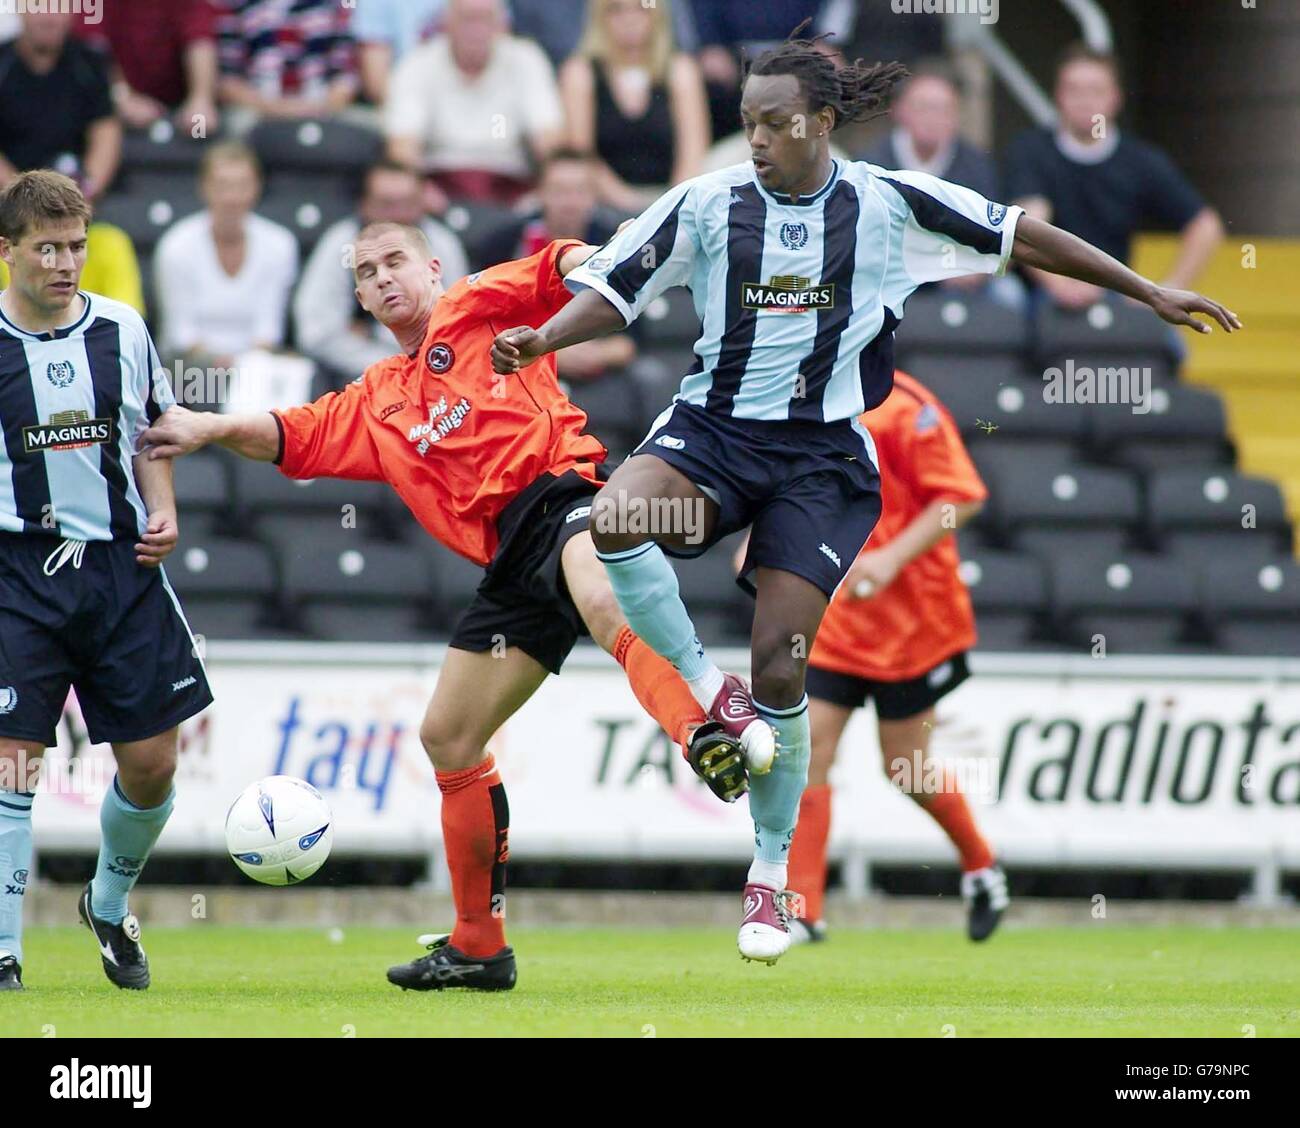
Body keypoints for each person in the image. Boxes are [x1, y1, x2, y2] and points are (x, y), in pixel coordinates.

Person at [491, 26, 1240, 965]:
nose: (756, 139)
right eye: (746, 122)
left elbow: (1019, 233)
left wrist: (1147, 292)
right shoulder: (707, 204)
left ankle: (771, 879)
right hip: (714, 436)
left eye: (773, 123)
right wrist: (545, 338)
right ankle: (699, 689)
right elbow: (616, 286)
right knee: (617, 517)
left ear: (822, 120)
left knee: (783, 666)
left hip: (822, 463)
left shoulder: (891, 205)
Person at [140, 224, 746, 993]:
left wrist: (599, 256)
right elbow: (287, 436)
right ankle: (479, 947)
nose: (384, 278)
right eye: (366, 272)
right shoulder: (377, 401)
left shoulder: (474, 306)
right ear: (358, 298)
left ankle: (702, 729)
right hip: (509, 566)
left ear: (430, 268)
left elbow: (555, 268)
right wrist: (208, 426)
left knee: (603, 595)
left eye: (395, 262)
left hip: (563, 497)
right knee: (449, 738)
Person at [0, 171, 211, 992]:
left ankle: (106, 899)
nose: (64, 263)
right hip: (19, 572)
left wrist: (163, 510)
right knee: (14, 762)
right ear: (8, 251)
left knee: (153, 763)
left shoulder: (122, 328)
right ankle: (7, 948)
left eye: (76, 247)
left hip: (123, 571)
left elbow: (151, 436)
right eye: (46, 248)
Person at [771, 371, 1006, 945]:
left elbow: (961, 500)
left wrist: (890, 559)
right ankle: (803, 909)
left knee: (905, 768)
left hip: (915, 623)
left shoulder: (908, 407)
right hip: (840, 618)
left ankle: (982, 868)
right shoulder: (795, 394)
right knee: (809, 752)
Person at [1004, 43, 1225, 311]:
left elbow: (1205, 226)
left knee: (1169, 342)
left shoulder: (1140, 161)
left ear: (1115, 97)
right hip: (1040, 298)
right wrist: (1062, 287)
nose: (1084, 101)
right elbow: (1027, 228)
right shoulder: (1030, 152)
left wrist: (1168, 289)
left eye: (1095, 91)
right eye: (1074, 90)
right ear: (1058, 95)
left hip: (1115, 294)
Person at [294, 160, 468, 380]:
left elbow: (459, 322)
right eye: (387, 204)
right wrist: (393, 369)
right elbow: (316, 333)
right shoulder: (342, 245)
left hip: (435, 367)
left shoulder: (443, 243)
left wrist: (370, 333)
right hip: (359, 376)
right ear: (364, 204)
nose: (397, 214)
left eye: (407, 204)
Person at [384, 0, 564, 208]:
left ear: (502, 25)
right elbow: (402, 146)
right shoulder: (417, 64)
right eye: (467, 19)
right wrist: (420, 191)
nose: (476, 29)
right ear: (446, 23)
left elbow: (549, 141)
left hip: (512, 190)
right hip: (438, 190)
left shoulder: (526, 59)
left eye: (485, 19)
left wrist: (550, 187)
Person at [475, 150, 633, 384]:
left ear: (594, 196)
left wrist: (597, 353)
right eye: (559, 191)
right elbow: (482, 322)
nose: (570, 202)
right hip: (517, 369)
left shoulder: (614, 244)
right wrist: (552, 351)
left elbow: (630, 342)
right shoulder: (505, 244)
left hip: (597, 371)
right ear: (540, 194)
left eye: (579, 191)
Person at [153, 141, 298, 366]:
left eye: (242, 186)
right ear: (204, 187)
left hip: (256, 367)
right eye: (222, 186)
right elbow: (181, 333)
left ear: (257, 187)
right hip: (190, 367)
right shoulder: (176, 245)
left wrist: (245, 372)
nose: (232, 197)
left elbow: (269, 329)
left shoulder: (280, 244)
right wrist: (223, 370)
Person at [558, 0, 710, 213]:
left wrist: (668, 207)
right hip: (602, 202)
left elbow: (693, 154)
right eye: (616, 10)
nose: (630, 19)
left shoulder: (681, 70)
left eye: (641, 8)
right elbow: (582, 155)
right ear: (600, 18)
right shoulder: (580, 72)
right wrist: (630, 205)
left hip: (670, 199)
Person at [0, 11, 122, 204]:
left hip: (80, 203)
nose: (49, 18)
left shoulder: (90, 63)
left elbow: (105, 131)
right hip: (11, 206)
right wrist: (23, 199)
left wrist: (86, 190)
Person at [72, 0, 221, 133]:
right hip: (113, 103)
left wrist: (200, 99)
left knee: (211, 128)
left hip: (177, 107)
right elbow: (93, 49)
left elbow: (200, 42)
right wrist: (123, 96)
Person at [216, 0, 359, 127]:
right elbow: (226, 81)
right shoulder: (233, 4)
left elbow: (345, 78)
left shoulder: (338, 4)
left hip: (323, 108)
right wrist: (278, 109)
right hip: (257, 109)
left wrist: (318, 108)